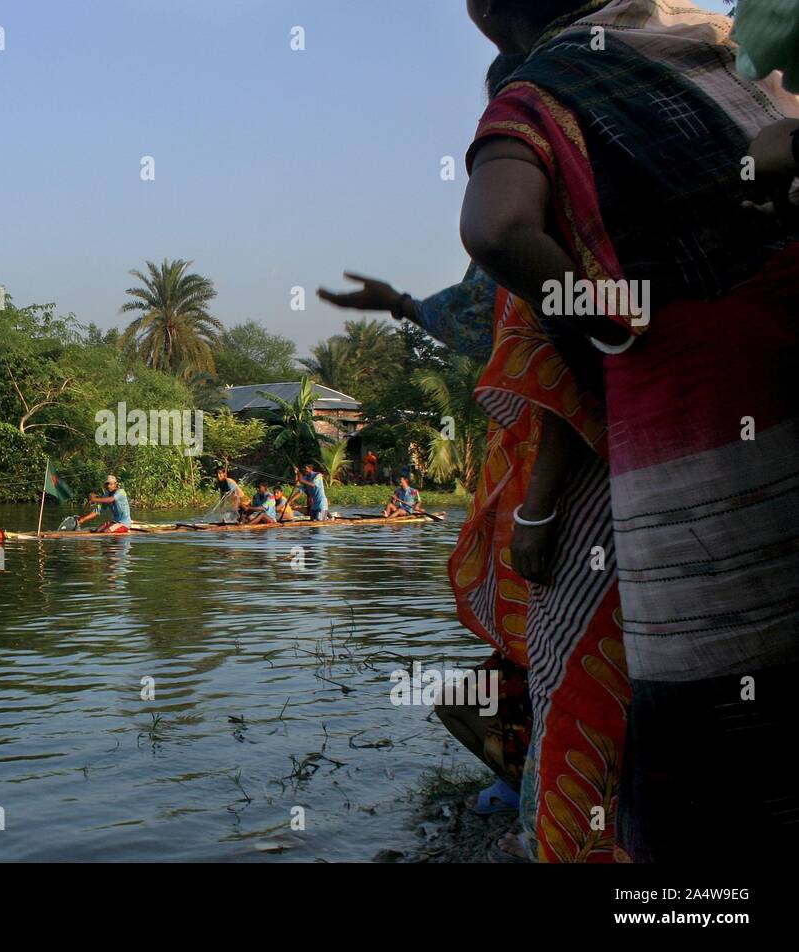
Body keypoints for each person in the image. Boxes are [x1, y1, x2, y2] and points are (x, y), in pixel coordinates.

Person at [462, 0, 799, 862]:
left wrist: (609, 317)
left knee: (700, 744)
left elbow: (499, 229)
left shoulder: (541, 93)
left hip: (684, 416)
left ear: (495, 14)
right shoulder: (721, 50)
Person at [317, 49, 627, 864]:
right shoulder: (582, 212)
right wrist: (401, 305)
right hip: (563, 478)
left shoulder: (559, 218)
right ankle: (538, 786)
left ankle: (566, 821)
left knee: (575, 671)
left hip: (569, 490)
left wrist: (538, 507)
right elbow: (483, 317)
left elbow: (556, 364)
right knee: (524, 673)